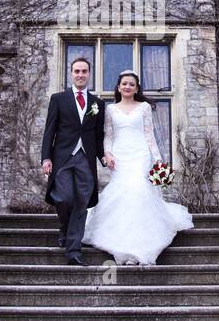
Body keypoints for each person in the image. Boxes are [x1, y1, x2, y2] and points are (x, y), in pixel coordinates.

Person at [82, 70, 193, 265]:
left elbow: (149, 136)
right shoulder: (110, 109)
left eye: (131, 84)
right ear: (118, 87)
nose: (127, 86)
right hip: (119, 155)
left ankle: (141, 244)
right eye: (124, 83)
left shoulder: (144, 108)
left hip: (140, 154)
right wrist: (107, 154)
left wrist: (158, 160)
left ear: (136, 88)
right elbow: (108, 135)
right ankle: (122, 241)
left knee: (138, 190)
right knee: (122, 192)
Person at [40, 56, 107, 265]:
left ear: (89, 74)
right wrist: (46, 158)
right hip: (62, 158)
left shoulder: (98, 104)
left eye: (84, 71)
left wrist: (102, 155)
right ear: (71, 74)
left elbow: (98, 135)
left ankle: (74, 251)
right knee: (64, 198)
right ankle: (65, 228)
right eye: (77, 71)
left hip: (85, 160)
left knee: (81, 203)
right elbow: (49, 131)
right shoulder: (58, 99)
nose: (80, 75)